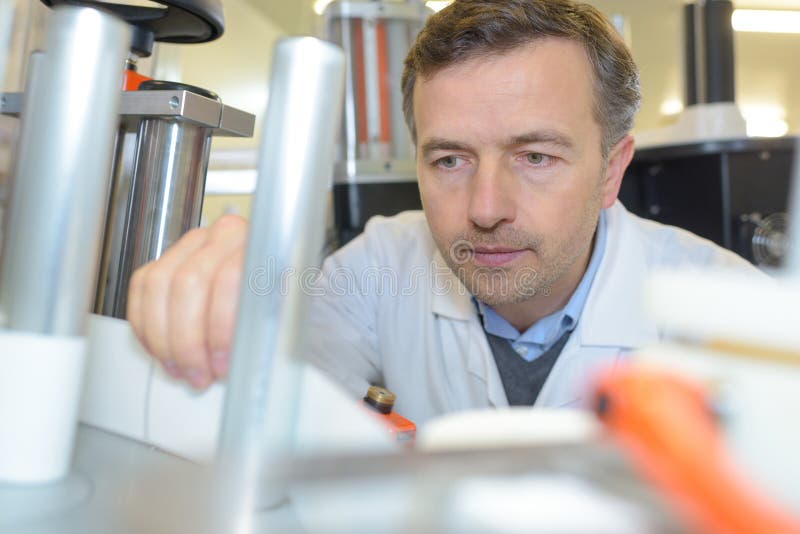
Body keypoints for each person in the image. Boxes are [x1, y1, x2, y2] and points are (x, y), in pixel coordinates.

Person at [127, 0, 755, 426]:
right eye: (450, 160)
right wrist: (225, 309)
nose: (484, 210)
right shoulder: (382, 265)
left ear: (612, 169)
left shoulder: (732, 314)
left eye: (535, 156)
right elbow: (272, 395)